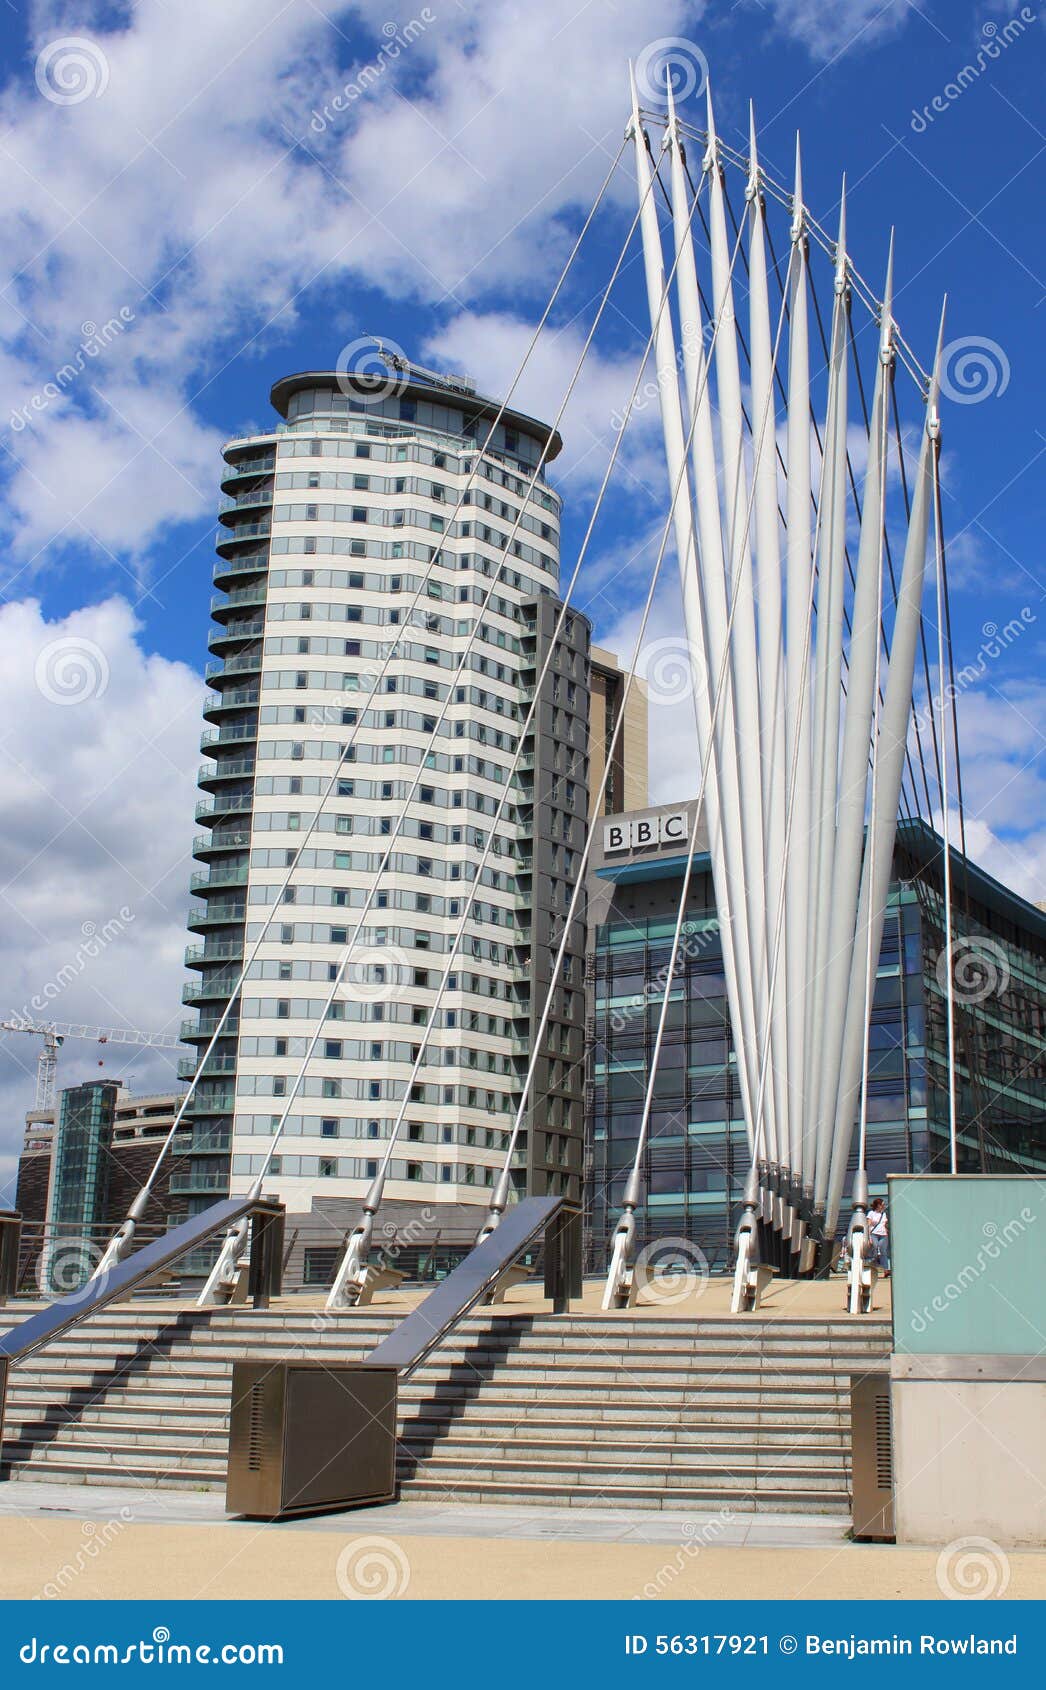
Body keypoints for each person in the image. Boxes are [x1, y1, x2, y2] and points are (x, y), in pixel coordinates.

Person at [868, 1197, 889, 1275]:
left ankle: (886, 1269)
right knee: (875, 1247)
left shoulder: (884, 1214)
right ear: (878, 1205)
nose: (884, 1206)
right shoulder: (871, 1213)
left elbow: (885, 1224)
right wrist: (869, 1236)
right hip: (874, 1234)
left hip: (883, 1234)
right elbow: (869, 1224)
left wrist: (887, 1229)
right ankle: (873, 1265)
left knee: (883, 1252)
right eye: (882, 1204)